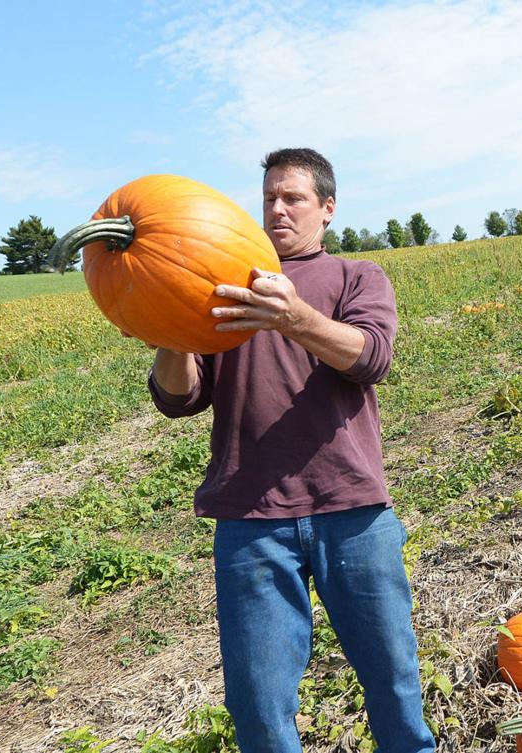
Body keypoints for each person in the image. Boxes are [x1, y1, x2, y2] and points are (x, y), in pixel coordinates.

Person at [147, 147, 435, 753]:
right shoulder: (219, 287)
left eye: (293, 197)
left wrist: (293, 316)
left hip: (352, 511)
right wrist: (170, 333)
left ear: (327, 208)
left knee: (393, 683)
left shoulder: (357, 277)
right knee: (258, 705)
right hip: (250, 523)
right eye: (269, 198)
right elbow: (179, 399)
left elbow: (370, 358)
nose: (277, 209)